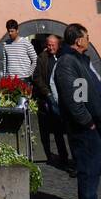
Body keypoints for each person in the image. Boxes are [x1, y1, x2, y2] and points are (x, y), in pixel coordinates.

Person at [53, 23, 101, 199]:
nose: (89, 39)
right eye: (86, 36)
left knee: (92, 176)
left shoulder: (79, 60)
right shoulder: (68, 62)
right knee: (87, 177)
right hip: (84, 130)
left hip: (91, 127)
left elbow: (84, 91)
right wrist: (88, 122)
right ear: (78, 40)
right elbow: (74, 99)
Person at [32, 34, 69, 166]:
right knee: (45, 130)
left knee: (59, 129)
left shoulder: (63, 57)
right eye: (49, 45)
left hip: (61, 97)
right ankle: (48, 155)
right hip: (46, 97)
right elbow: (36, 77)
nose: (51, 47)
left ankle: (64, 157)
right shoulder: (42, 57)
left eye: (53, 45)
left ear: (58, 45)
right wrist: (46, 92)